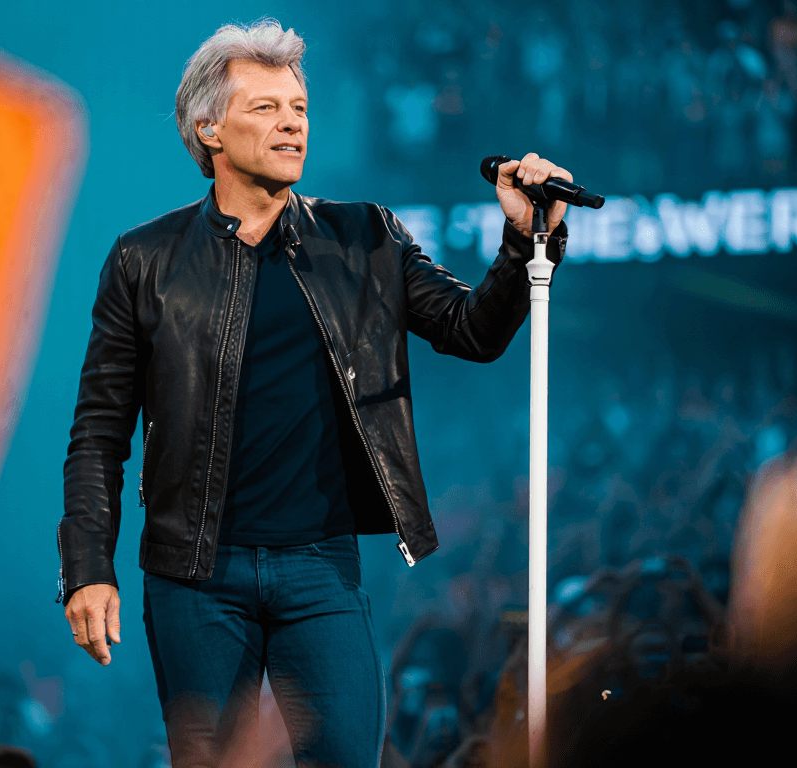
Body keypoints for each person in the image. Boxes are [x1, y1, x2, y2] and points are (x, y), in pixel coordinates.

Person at [57, 18, 569, 767]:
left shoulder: (364, 237)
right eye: (265, 107)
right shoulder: (146, 259)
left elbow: (472, 331)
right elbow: (99, 431)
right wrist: (87, 567)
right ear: (209, 130)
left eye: (298, 107)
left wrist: (523, 243)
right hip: (196, 575)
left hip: (320, 569)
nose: (292, 122)